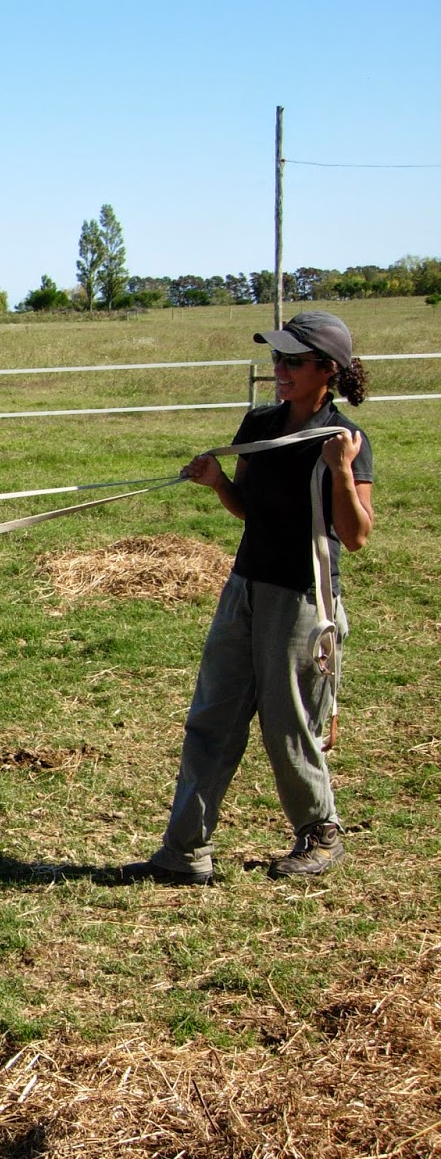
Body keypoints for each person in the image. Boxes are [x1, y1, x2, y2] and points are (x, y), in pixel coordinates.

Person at [121, 311, 374, 884]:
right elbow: (251, 512)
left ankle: (322, 833)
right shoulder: (259, 425)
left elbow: (355, 537)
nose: (279, 370)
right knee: (212, 716)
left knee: (288, 726)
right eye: (277, 359)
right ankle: (183, 853)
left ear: (326, 370)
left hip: (302, 599)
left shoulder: (344, 441)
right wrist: (219, 485)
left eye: (292, 361)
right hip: (245, 587)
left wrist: (340, 472)